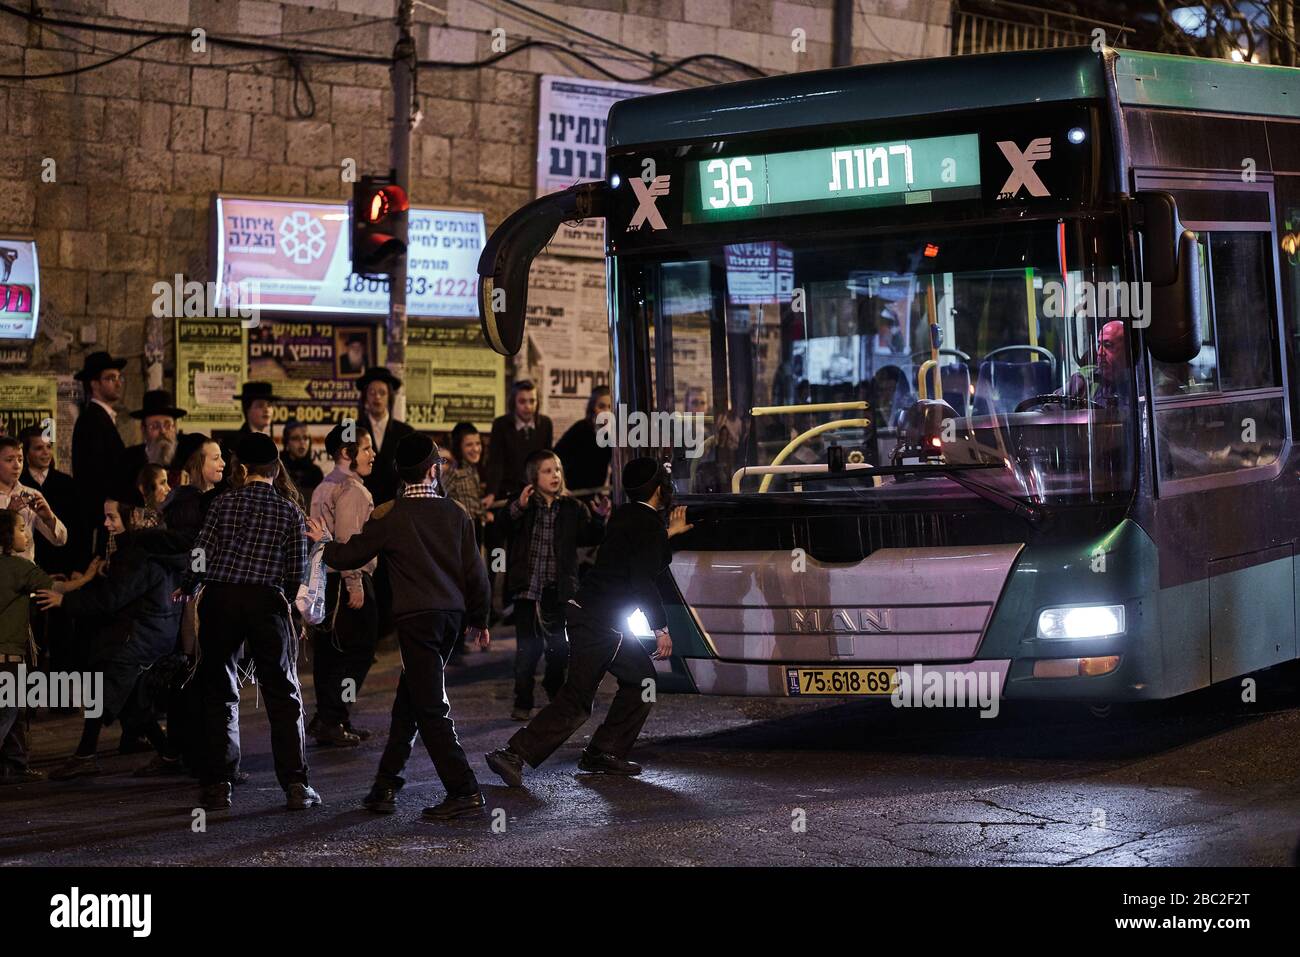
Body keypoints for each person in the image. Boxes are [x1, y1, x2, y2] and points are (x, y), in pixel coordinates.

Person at [309, 433, 490, 821]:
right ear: (431, 470)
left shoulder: (391, 516)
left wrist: (321, 542)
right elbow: (476, 572)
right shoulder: (456, 513)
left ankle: (464, 791)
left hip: (416, 620)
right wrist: (480, 618)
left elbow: (350, 553)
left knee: (430, 707)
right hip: (450, 620)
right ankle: (385, 786)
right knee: (410, 701)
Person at [485, 458, 692, 788]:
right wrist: (661, 629)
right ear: (659, 490)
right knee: (578, 699)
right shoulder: (647, 524)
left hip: (595, 616)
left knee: (641, 680)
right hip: (598, 623)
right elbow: (642, 577)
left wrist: (666, 532)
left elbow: (634, 552)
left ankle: (604, 752)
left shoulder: (626, 516)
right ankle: (513, 755)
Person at [179, 432, 320, 812]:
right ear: (276, 469)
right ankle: (294, 785)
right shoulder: (289, 510)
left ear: (242, 469)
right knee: (282, 694)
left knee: (220, 691)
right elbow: (296, 571)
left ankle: (219, 785)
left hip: (221, 600)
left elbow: (201, 552)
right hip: (265, 602)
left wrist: (188, 584)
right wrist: (288, 606)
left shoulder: (222, 503)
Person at [39, 501, 189, 781]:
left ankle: (85, 756)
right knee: (132, 702)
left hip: (134, 638)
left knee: (104, 692)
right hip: (156, 634)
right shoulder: (163, 550)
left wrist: (65, 600)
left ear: (131, 519)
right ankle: (169, 754)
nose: (106, 524)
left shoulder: (137, 553)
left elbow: (111, 599)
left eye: (111, 518)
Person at [505, 450, 607, 721]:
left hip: (558, 589)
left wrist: (598, 518)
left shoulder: (572, 507)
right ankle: (523, 699)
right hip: (528, 589)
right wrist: (519, 507)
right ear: (534, 477)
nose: (554, 475)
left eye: (557, 470)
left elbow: (589, 538)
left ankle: (554, 688)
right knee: (527, 649)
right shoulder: (526, 505)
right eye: (547, 471)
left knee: (559, 648)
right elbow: (504, 526)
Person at [0, 511, 95, 785]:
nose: (27, 534)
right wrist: (88, 577)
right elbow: (59, 587)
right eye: (21, 528)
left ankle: (15, 765)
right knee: (7, 713)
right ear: (6, 536)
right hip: (10, 658)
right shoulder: (20, 567)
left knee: (15, 714)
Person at [307, 421, 378, 748]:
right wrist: (356, 584)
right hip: (345, 581)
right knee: (359, 651)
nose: (372, 454)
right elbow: (349, 544)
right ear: (346, 453)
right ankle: (334, 717)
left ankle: (331, 717)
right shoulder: (352, 490)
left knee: (330, 655)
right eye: (365, 449)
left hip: (324, 582)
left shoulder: (325, 485)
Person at [71, 351, 128, 546]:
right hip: (100, 518)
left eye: (119, 377)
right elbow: (96, 474)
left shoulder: (101, 418)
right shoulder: (92, 420)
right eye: (111, 378)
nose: (118, 383)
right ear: (94, 384)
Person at [485, 379, 554, 509]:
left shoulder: (545, 424)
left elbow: (548, 459)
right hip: (508, 491)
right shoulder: (501, 424)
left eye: (532, 401)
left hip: (536, 490)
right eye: (522, 401)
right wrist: (491, 493)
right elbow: (496, 462)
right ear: (513, 403)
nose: (528, 406)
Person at [0, 435, 68, 563]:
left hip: (26, 576)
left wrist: (48, 518)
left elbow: (60, 540)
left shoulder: (30, 494)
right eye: (9, 460)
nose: (17, 465)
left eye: (20, 459)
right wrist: (8, 517)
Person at [354, 367, 414, 507]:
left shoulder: (406, 432)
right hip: (360, 505)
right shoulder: (351, 430)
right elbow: (344, 467)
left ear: (390, 397)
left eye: (382, 392)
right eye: (372, 392)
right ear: (365, 397)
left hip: (397, 507)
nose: (377, 397)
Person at [119, 389, 186, 500]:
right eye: (155, 426)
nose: (163, 431)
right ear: (143, 429)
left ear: (174, 428)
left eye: (168, 425)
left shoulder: (186, 458)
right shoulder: (128, 460)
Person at [554, 386, 613, 496]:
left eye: (610, 407)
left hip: (596, 492)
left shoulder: (613, 432)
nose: (606, 412)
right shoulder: (580, 428)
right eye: (601, 406)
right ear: (592, 408)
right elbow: (556, 455)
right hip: (572, 491)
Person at [443, 422, 492, 545]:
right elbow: (439, 499)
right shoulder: (453, 472)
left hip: (473, 531)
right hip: (458, 534)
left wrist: (484, 513)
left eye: (478, 443)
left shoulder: (472, 470)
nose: (476, 449)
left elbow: (472, 501)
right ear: (458, 447)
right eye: (469, 445)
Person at [1066, 320, 1129, 407]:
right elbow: (1047, 412)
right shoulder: (1082, 380)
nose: (1099, 352)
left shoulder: (1144, 383)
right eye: (1099, 345)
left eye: (1107, 345)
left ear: (1127, 350)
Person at [281, 418, 324, 505]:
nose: (302, 442)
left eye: (305, 438)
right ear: (286, 443)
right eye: (295, 438)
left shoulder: (315, 473)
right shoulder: (279, 470)